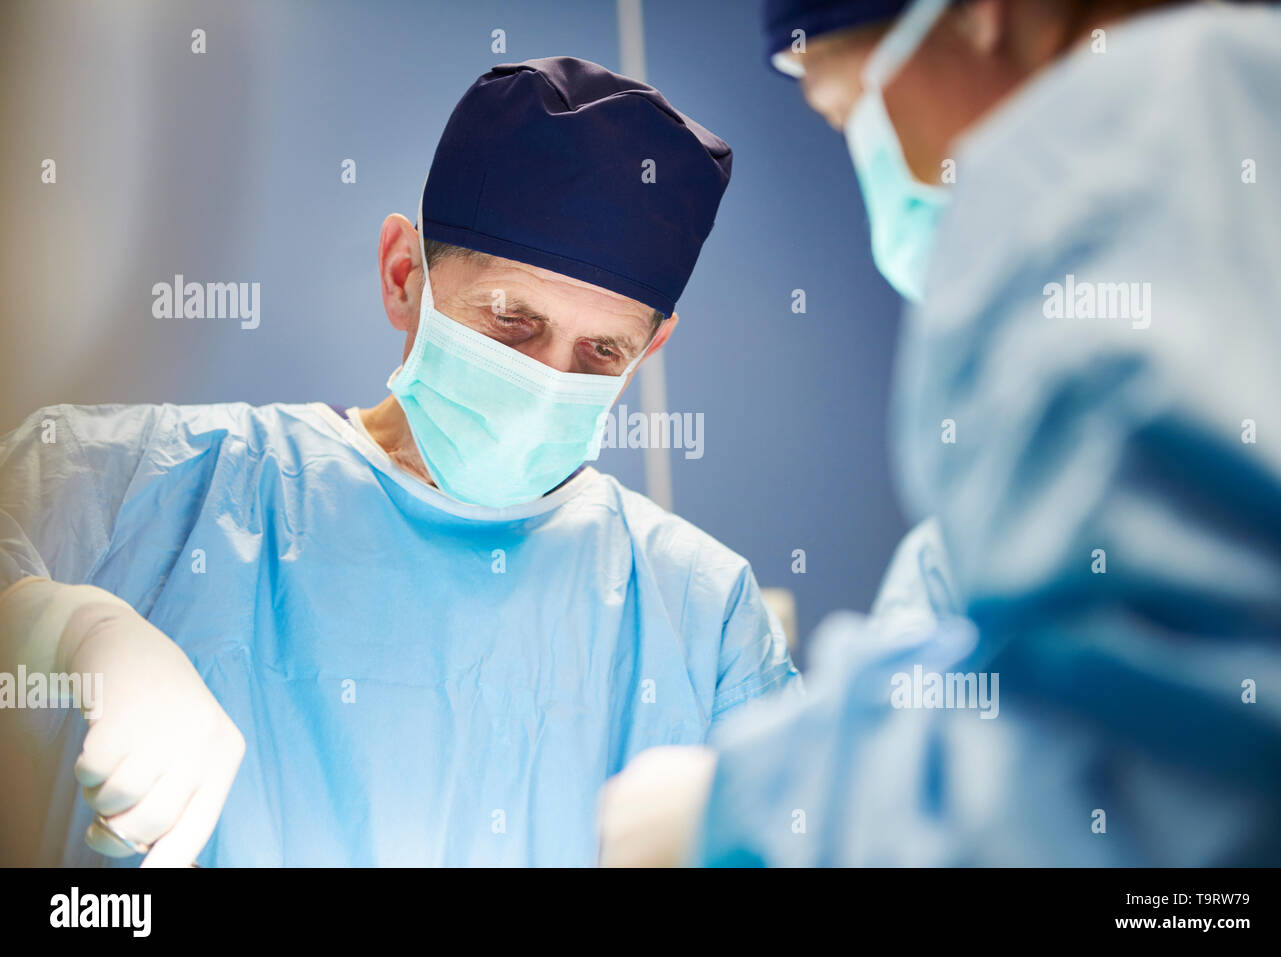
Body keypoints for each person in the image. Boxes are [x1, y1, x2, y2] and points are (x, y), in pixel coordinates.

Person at [0, 56, 800, 868]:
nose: (548, 378)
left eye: (603, 350)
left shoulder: (702, 616)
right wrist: (64, 629)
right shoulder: (154, 484)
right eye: (511, 319)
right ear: (403, 274)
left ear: (652, 348)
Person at [597, 0, 1281, 866]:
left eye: (847, 109)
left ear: (985, 14)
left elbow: (1174, 800)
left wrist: (756, 808)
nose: (872, 163)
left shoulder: (1142, 158)